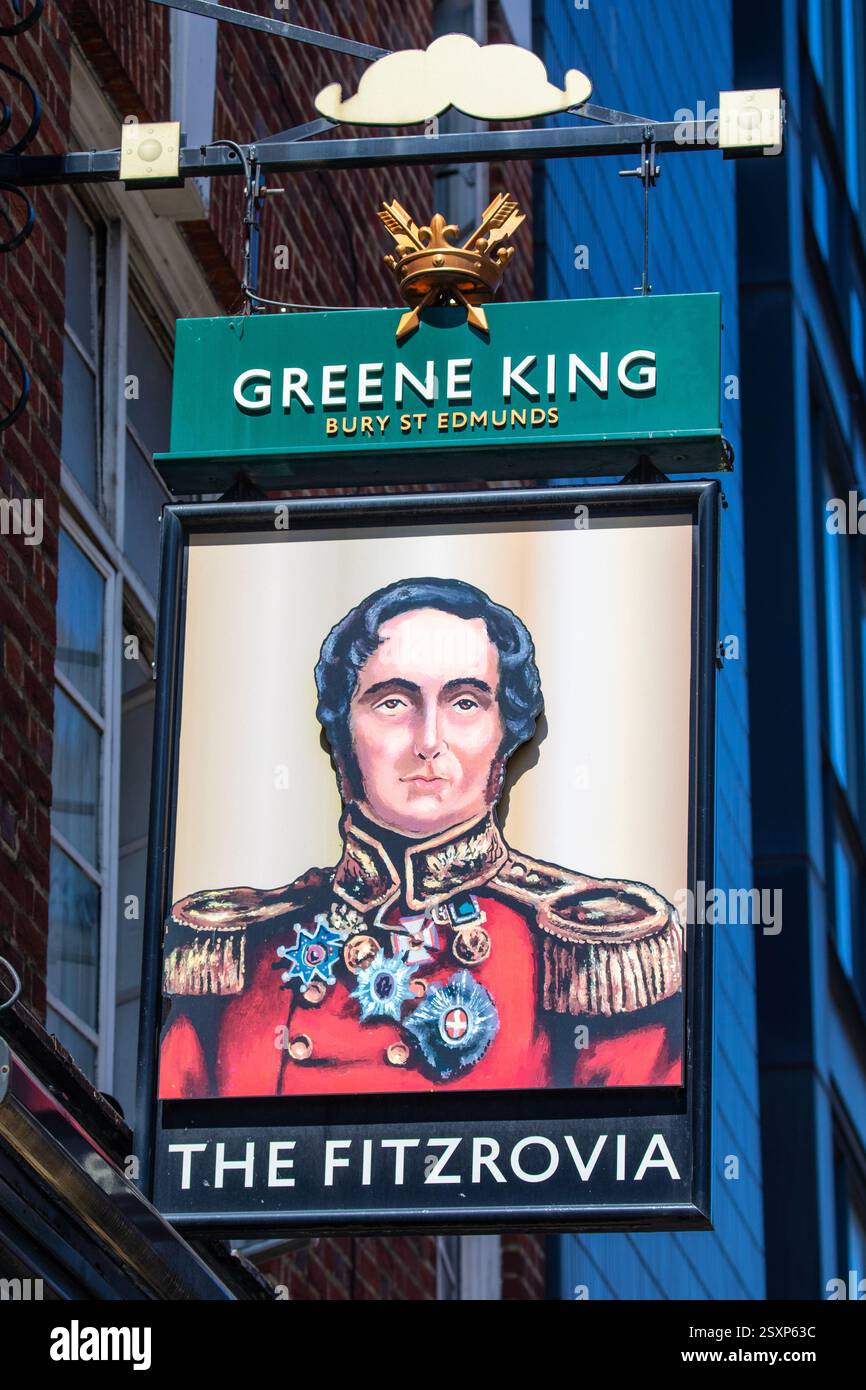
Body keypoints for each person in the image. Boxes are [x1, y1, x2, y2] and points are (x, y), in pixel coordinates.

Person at [159, 577, 682, 1098]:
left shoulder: (582, 948)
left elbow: (631, 1161)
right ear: (344, 732)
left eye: (465, 703)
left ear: (506, 732)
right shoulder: (245, 951)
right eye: (393, 703)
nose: (429, 740)